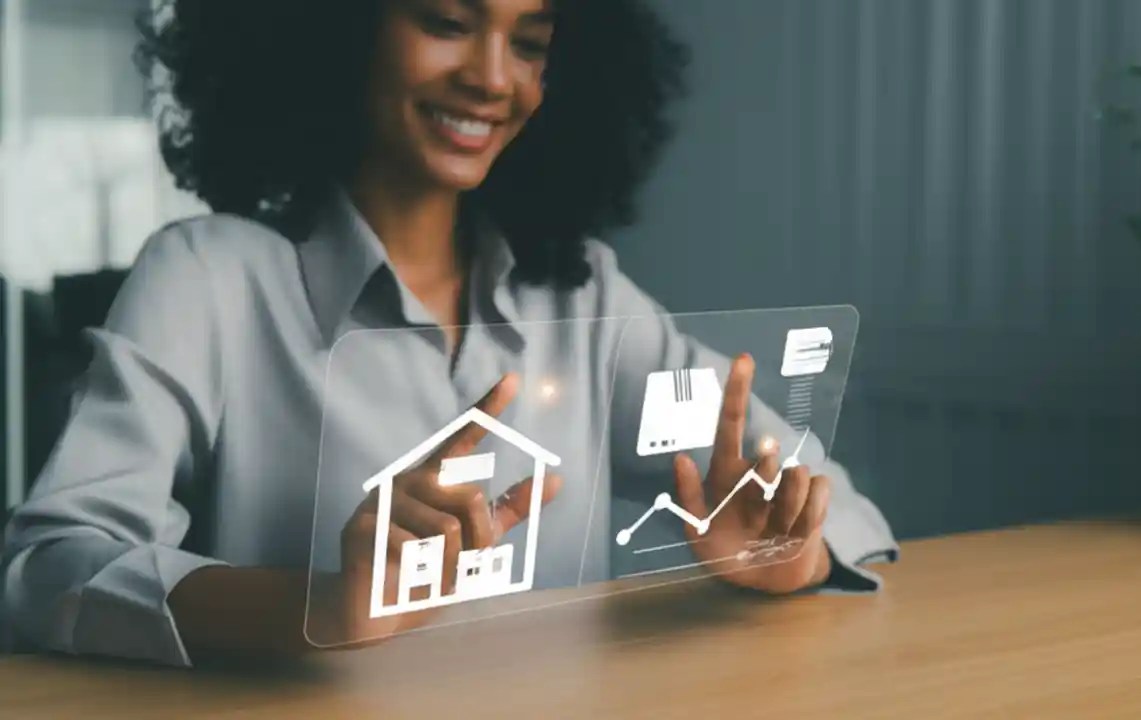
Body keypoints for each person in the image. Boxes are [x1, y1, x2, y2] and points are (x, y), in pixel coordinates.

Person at [2, 0, 897, 667]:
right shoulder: (209, 280)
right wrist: (322, 608)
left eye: (533, 44)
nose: (493, 78)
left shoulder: (582, 294)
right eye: (445, 20)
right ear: (337, 26)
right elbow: (46, 567)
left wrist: (788, 552)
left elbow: (831, 498)